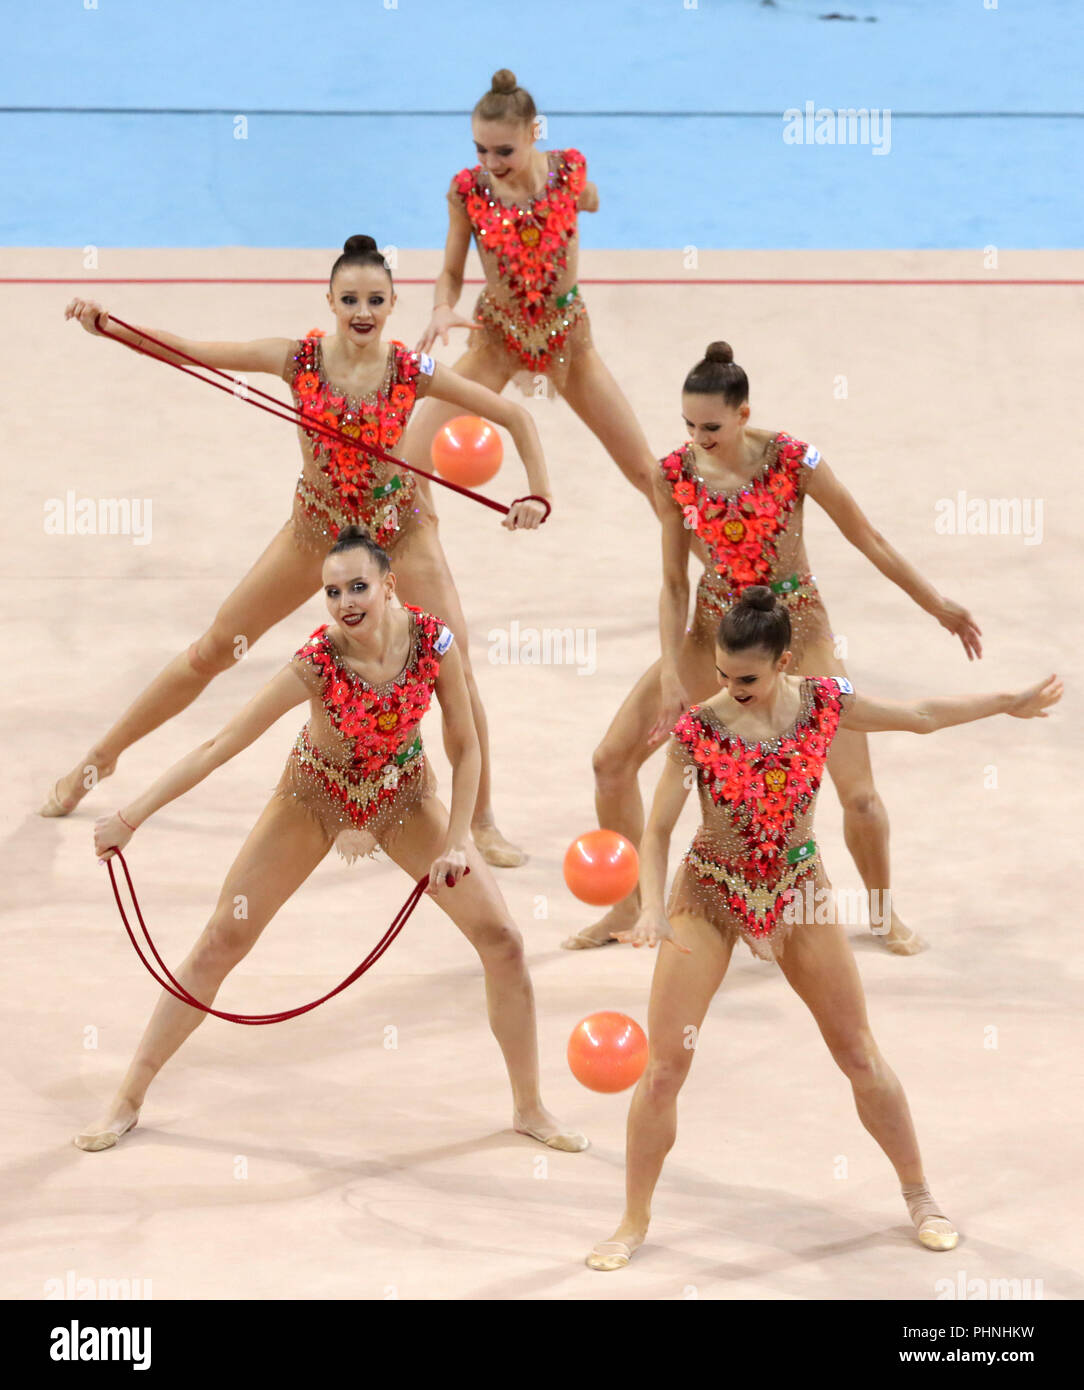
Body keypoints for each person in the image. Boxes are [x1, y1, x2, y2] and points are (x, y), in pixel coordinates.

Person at [585, 586, 1061, 1269]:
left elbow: (922, 714)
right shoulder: (700, 727)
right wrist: (652, 906)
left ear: (783, 662)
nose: (729, 689)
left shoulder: (825, 703)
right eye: (722, 674)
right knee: (663, 1070)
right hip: (711, 891)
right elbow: (658, 829)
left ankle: (920, 1194)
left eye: (745, 678)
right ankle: (632, 1221)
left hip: (796, 892)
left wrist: (1004, 702)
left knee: (858, 1053)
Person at [41, 235, 552, 868]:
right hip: (315, 532)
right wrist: (112, 327)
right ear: (329, 301)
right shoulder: (298, 360)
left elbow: (517, 418)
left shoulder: (410, 372)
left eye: (374, 300)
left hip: (397, 534)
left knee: (460, 665)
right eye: (349, 300)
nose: (361, 311)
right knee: (212, 650)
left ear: (393, 304)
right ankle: (101, 757)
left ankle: (481, 821)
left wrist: (538, 495)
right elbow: (196, 352)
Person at [76, 527, 586, 1156]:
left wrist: (457, 841)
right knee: (222, 938)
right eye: (333, 591)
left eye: (358, 587)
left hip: (404, 798)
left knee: (504, 940)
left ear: (388, 585)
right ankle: (127, 1096)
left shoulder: (433, 640)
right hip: (314, 798)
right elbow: (219, 745)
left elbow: (466, 744)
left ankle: (530, 1107)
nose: (346, 601)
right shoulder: (317, 663)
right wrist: (132, 816)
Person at [567, 340, 984, 955]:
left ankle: (882, 913)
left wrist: (937, 604)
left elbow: (867, 536)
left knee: (861, 795)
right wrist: (669, 677)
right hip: (715, 631)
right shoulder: (674, 474)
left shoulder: (794, 459)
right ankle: (627, 905)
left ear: (742, 413)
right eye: (687, 424)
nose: (697, 437)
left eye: (711, 425)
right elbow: (676, 582)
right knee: (611, 761)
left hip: (799, 631)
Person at [400, 68, 659, 513]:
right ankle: (411, 565)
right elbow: (452, 271)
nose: (491, 162)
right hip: (498, 338)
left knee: (644, 472)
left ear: (534, 132)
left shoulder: (569, 173)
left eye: (504, 150)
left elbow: (589, 197)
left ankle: (724, 576)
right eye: (480, 149)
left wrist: (587, 198)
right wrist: (443, 305)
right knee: (408, 463)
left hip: (569, 339)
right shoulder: (469, 192)